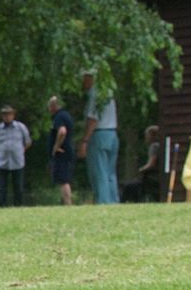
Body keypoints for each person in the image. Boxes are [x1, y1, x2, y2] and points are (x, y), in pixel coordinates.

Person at [78, 70, 120, 204]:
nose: (82, 82)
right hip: (112, 133)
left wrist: (85, 140)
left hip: (99, 134)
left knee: (99, 171)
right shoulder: (108, 92)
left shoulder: (95, 94)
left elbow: (93, 119)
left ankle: (103, 202)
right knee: (110, 173)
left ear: (90, 78)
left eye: (84, 79)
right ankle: (113, 201)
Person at [0, 104, 32, 207]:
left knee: (18, 186)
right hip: (2, 162)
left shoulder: (21, 128)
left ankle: (19, 205)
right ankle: (2, 205)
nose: (7, 117)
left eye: (9, 114)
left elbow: (28, 142)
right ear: (2, 116)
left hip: (17, 161)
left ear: (13, 115)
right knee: (1, 187)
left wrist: (20, 151)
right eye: (4, 115)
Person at [47, 96, 75, 205]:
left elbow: (62, 131)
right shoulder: (66, 115)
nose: (49, 109)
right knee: (64, 179)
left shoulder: (59, 117)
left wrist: (56, 146)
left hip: (62, 153)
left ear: (54, 106)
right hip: (67, 152)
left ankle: (68, 204)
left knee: (63, 180)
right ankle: (67, 203)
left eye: (50, 106)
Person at [121, 125, 161, 203]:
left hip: (152, 179)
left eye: (146, 136)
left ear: (152, 136)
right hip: (156, 177)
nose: (145, 138)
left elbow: (151, 164)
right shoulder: (160, 145)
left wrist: (141, 170)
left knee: (127, 186)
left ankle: (122, 203)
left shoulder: (154, 147)